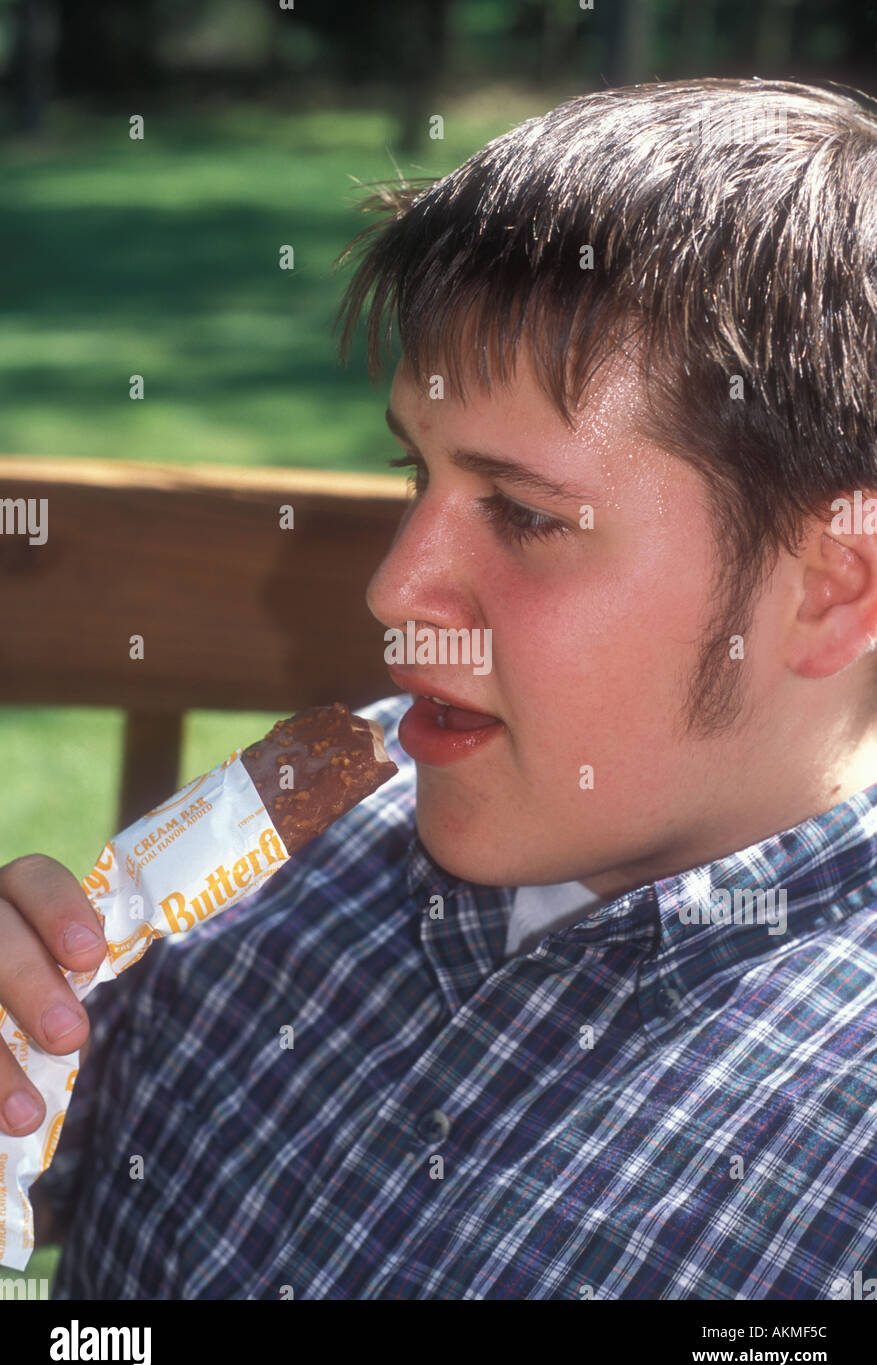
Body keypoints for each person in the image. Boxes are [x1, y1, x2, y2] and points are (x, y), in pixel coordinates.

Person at [3, 76, 877, 1299]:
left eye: (524, 515)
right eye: (415, 478)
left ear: (833, 588)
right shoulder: (295, 843)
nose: (394, 587)